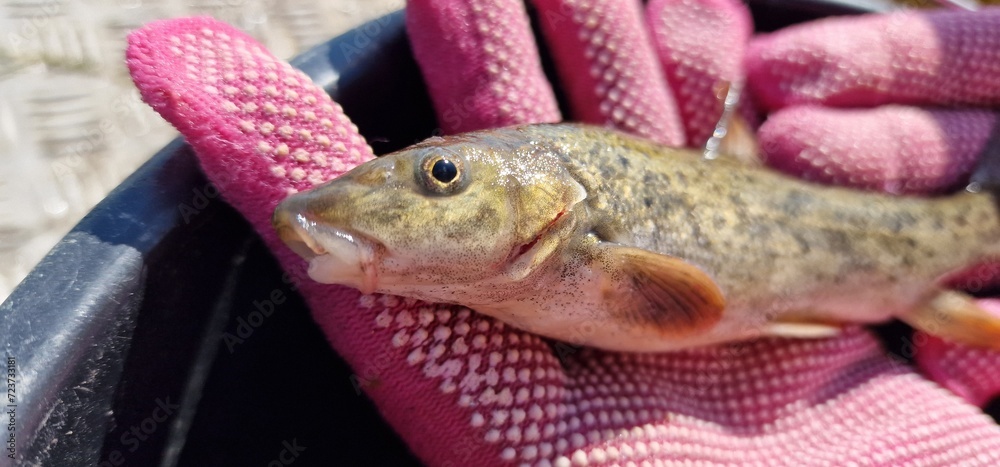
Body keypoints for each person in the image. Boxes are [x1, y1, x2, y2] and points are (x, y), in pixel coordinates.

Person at [127, 1, 1000, 464]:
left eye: (440, 176)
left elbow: (686, 305)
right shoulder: (491, 274)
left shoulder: (576, 244)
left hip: (884, 250)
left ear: (555, 203)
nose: (432, 182)